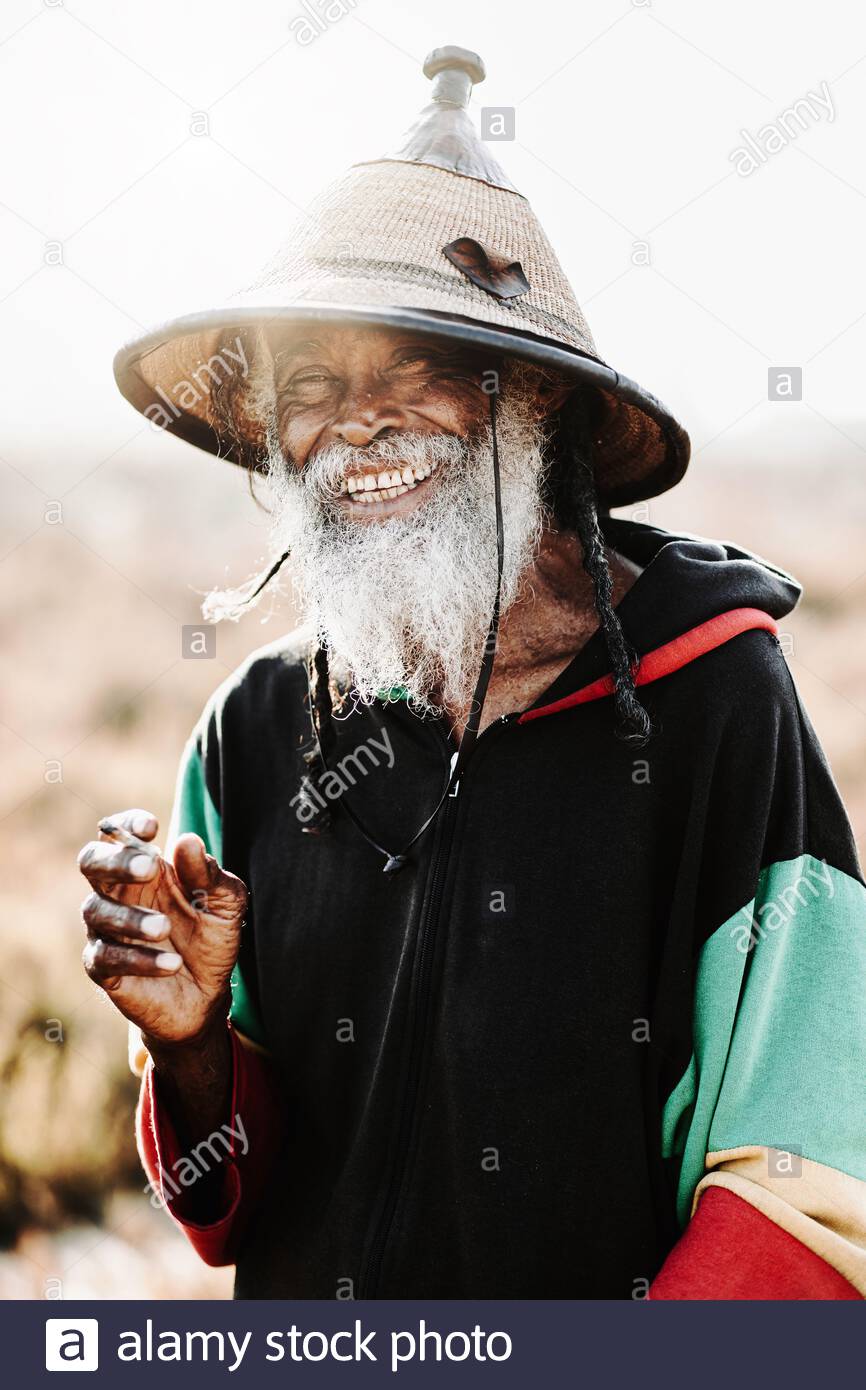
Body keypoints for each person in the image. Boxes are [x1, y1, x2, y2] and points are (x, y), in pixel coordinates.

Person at [78, 47, 866, 1299]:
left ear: (535, 404)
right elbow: (224, 1210)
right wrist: (184, 1047)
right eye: (315, 386)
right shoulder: (262, 726)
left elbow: (805, 1185)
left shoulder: (716, 703)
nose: (357, 424)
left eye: (415, 373)